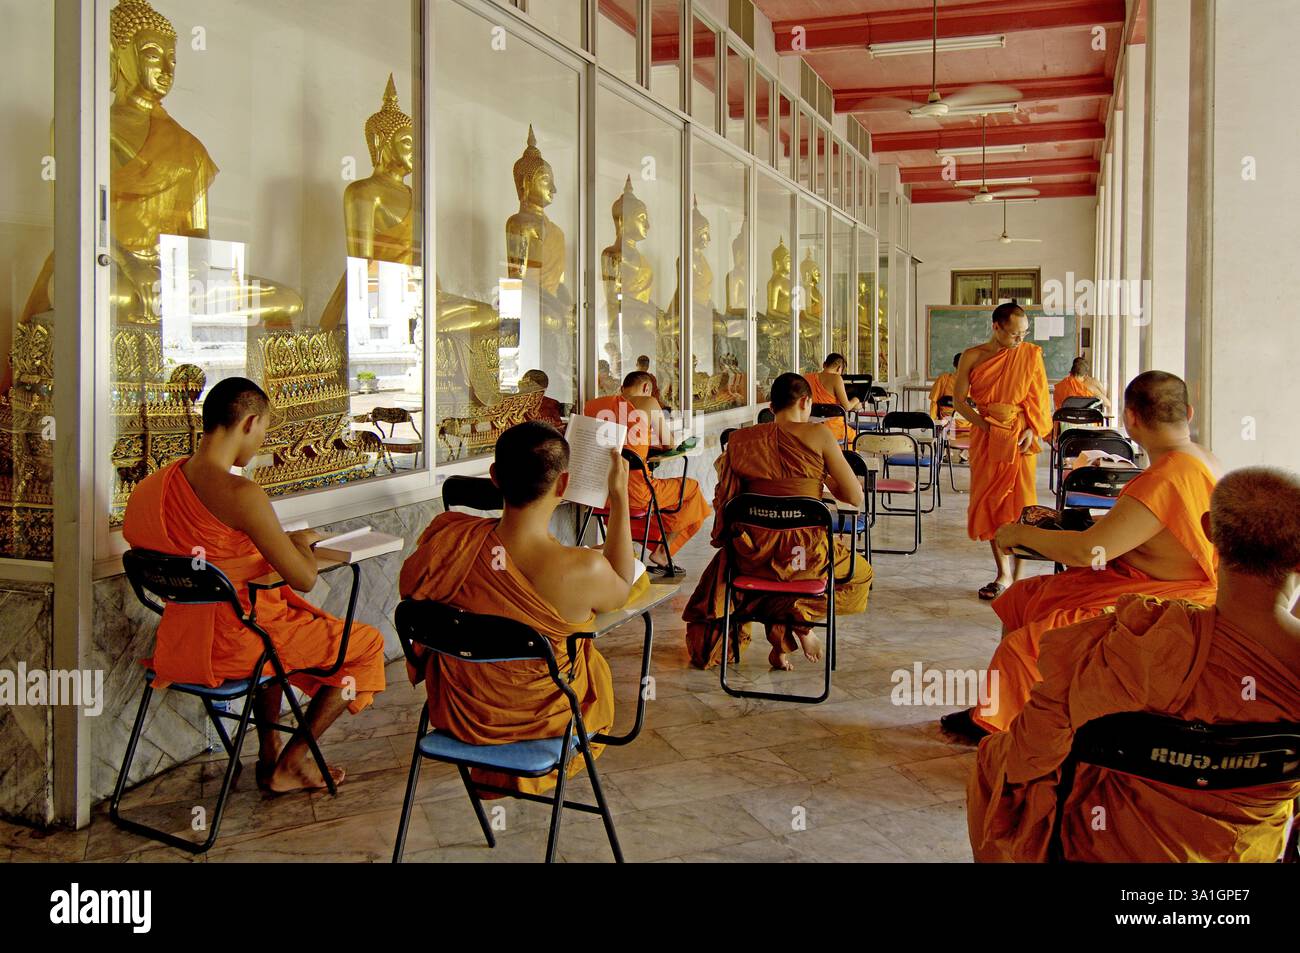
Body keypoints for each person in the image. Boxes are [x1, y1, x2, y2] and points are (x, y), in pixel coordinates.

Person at [968, 466, 1300, 862]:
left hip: (1103, 846)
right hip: (1246, 853)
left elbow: (1028, 755)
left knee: (994, 759)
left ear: (1209, 531)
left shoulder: (1134, 641)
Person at [123, 377, 387, 794]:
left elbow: (197, 555)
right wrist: (298, 543)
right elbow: (303, 578)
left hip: (179, 642)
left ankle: (269, 750)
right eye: (264, 429)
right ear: (249, 422)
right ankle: (291, 764)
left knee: (274, 616)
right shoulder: (242, 494)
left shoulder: (152, 487)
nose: (262, 441)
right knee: (366, 643)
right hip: (237, 645)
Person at [943, 371, 1220, 739]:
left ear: (1131, 419)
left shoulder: (1167, 477)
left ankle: (1017, 729)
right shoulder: (1207, 460)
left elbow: (1089, 552)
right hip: (1146, 580)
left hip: (1162, 600)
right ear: (1188, 412)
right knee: (1024, 595)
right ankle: (1001, 705)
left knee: (1024, 647)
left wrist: (1020, 534)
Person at [399, 421, 644, 794]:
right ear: (563, 485)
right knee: (590, 654)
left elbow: (414, 592)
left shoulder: (450, 538)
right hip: (545, 717)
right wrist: (620, 496)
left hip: (463, 712)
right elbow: (622, 587)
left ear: (494, 477)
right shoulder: (585, 569)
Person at [683, 372, 873, 671]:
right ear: (806, 401)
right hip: (806, 555)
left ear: (771, 406)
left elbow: (728, 498)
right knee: (860, 577)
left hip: (752, 554)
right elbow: (855, 497)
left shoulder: (741, 440)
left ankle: (782, 637)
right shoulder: (820, 434)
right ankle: (799, 621)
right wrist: (823, 483)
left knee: (758, 584)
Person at [953, 302, 1052, 600]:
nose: (1019, 340)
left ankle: (1020, 577)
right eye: (1013, 334)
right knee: (991, 503)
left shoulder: (1031, 355)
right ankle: (1003, 573)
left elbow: (1039, 400)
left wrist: (1032, 429)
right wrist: (985, 427)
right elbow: (959, 402)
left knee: (1021, 506)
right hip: (987, 437)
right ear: (996, 327)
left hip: (1020, 437)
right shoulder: (973, 356)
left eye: (1024, 333)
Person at [584, 371, 711, 568]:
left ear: (622, 388)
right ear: (646, 387)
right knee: (692, 490)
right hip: (636, 493)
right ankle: (662, 551)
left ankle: (620, 544)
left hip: (598, 495)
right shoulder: (648, 402)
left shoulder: (595, 405)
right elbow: (668, 444)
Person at [802, 353, 861, 445]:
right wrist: (857, 399)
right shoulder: (836, 378)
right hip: (833, 429)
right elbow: (847, 407)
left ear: (824, 364)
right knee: (855, 438)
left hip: (810, 427)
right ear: (839, 368)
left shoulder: (806, 377)